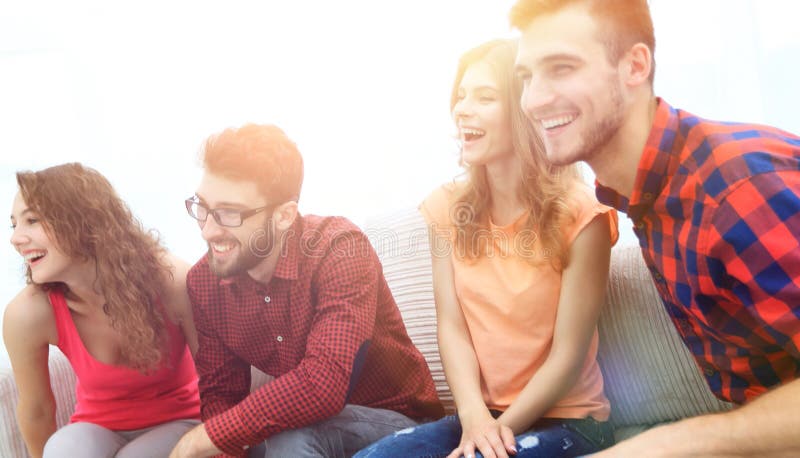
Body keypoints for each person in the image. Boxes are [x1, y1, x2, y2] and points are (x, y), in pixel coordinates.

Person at [510, 0, 800, 456]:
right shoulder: (644, 195)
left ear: (635, 65)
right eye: (526, 76)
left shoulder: (735, 189)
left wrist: (674, 442)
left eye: (561, 67)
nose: (533, 99)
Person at [355, 39, 618, 458]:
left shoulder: (583, 215)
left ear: (525, 109)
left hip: (570, 423)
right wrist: (475, 419)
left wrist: (495, 432)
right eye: (460, 96)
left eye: (484, 97)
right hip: (477, 416)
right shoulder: (446, 209)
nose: (462, 109)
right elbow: (452, 328)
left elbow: (567, 356)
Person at [169, 124, 444, 458]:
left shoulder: (341, 249)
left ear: (284, 216)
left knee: (288, 437)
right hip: (297, 427)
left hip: (400, 423)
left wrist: (201, 439)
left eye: (229, 213)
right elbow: (220, 394)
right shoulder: (205, 283)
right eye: (202, 207)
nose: (208, 230)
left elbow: (321, 384)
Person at [4, 162, 201, 458]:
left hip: (183, 420)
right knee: (61, 451)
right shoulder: (28, 313)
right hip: (96, 429)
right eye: (14, 224)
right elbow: (37, 410)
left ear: (85, 221)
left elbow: (220, 378)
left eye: (32, 220)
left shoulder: (171, 279)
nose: (16, 238)